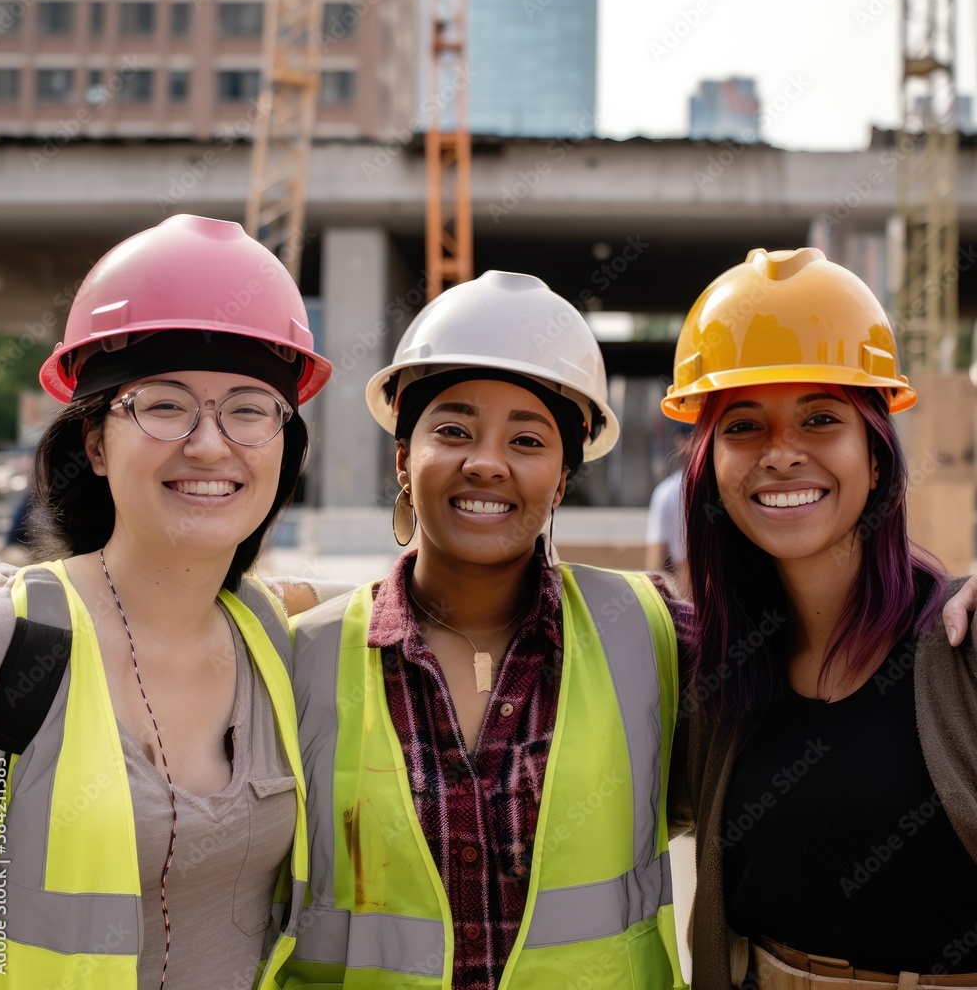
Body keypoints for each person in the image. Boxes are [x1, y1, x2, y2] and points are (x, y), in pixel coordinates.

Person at [281, 270, 687, 990]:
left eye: (528, 440)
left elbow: (821, 655)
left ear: (563, 477)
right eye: (453, 430)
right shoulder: (301, 656)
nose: (487, 463)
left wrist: (949, 604)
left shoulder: (649, 633)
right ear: (404, 459)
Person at [0, 214, 331, 989]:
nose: (210, 445)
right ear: (96, 444)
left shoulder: (272, 636)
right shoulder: (2, 646)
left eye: (248, 408)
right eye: (164, 405)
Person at [664, 247, 977, 989]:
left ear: (876, 455)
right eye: (743, 426)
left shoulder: (963, 649)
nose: (781, 454)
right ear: (710, 465)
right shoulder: (715, 671)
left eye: (820, 418)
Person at [644, 421, 691, 592]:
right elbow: (654, 566)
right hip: (689, 602)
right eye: (688, 436)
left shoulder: (729, 489)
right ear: (678, 440)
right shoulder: (668, 493)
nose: (695, 444)